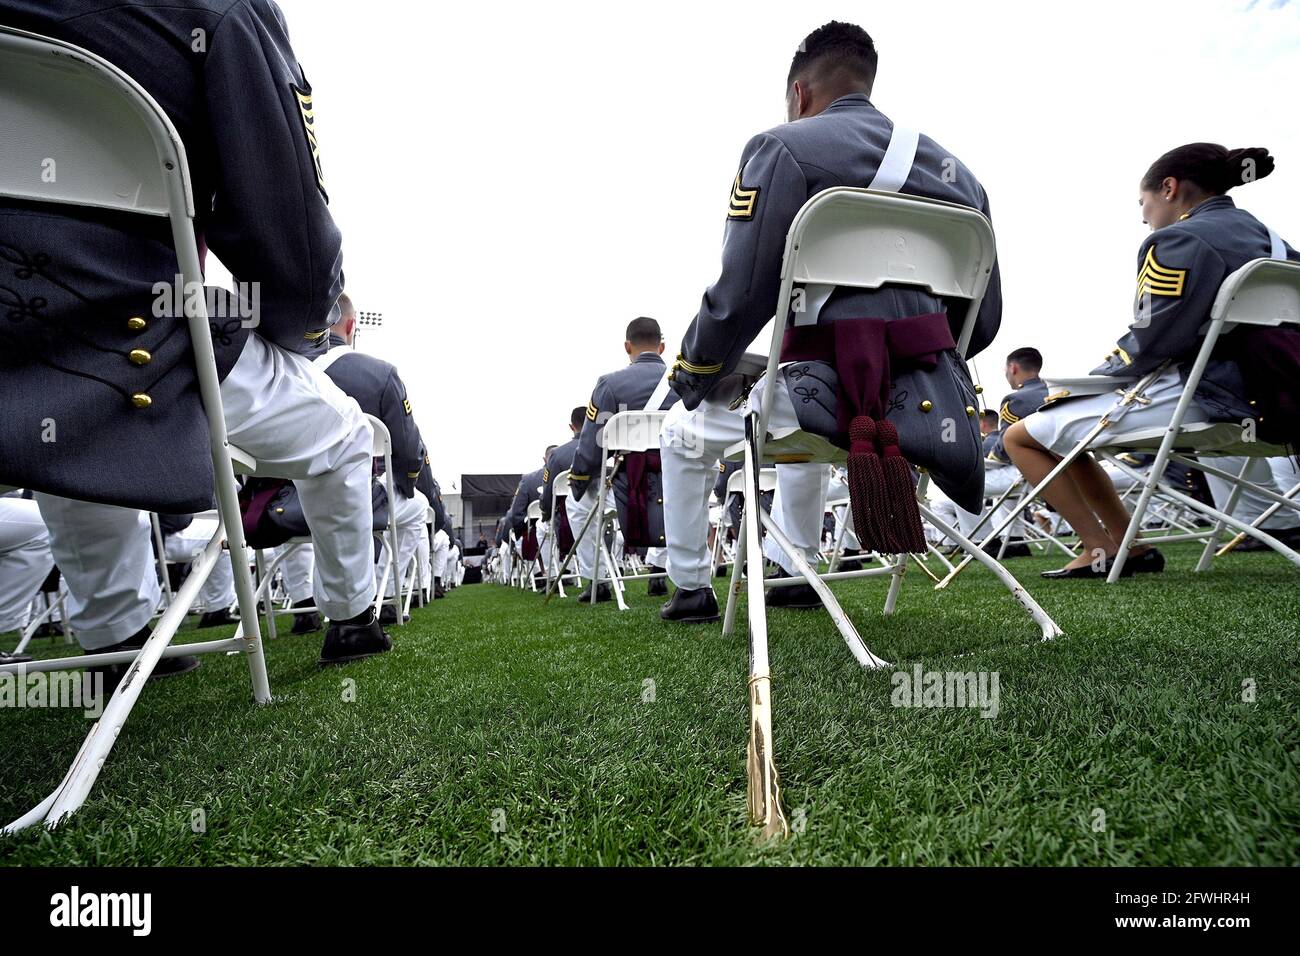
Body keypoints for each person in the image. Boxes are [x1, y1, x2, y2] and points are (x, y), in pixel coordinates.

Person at [0, 0, 390, 668]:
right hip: (128, 328)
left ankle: (114, 637)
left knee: (58, 400)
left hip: (23, 352)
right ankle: (352, 618)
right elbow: (289, 237)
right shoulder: (219, 10)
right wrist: (300, 329)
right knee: (349, 439)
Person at [659, 21, 1000, 623]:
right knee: (792, 395)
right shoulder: (963, 177)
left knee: (684, 435)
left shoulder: (782, 147)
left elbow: (739, 296)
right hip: (926, 408)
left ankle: (691, 590)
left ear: (799, 94)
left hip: (826, 398)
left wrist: (693, 373)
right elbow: (985, 318)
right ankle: (797, 571)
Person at [1005, 143, 1298, 578]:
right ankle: (1125, 545)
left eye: (1143, 202)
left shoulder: (1177, 239)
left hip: (1214, 394)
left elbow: (1151, 340)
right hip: (1283, 398)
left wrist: (1086, 382)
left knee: (1021, 437)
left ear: (1169, 188)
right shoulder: (1279, 245)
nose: (1143, 215)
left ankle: (1101, 546)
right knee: (1064, 432)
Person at [318, 294, 432, 625]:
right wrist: (406, 486)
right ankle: (384, 598)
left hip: (277, 509)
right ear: (352, 324)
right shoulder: (379, 374)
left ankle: (303, 602)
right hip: (357, 496)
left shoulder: (280, 367)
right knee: (417, 508)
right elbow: (410, 453)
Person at [569, 318, 680, 601]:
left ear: (627, 346)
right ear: (662, 346)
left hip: (629, 483)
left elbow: (592, 444)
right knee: (676, 494)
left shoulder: (608, 384)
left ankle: (598, 581)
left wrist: (579, 480)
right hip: (680, 477)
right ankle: (660, 568)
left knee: (578, 505)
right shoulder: (684, 380)